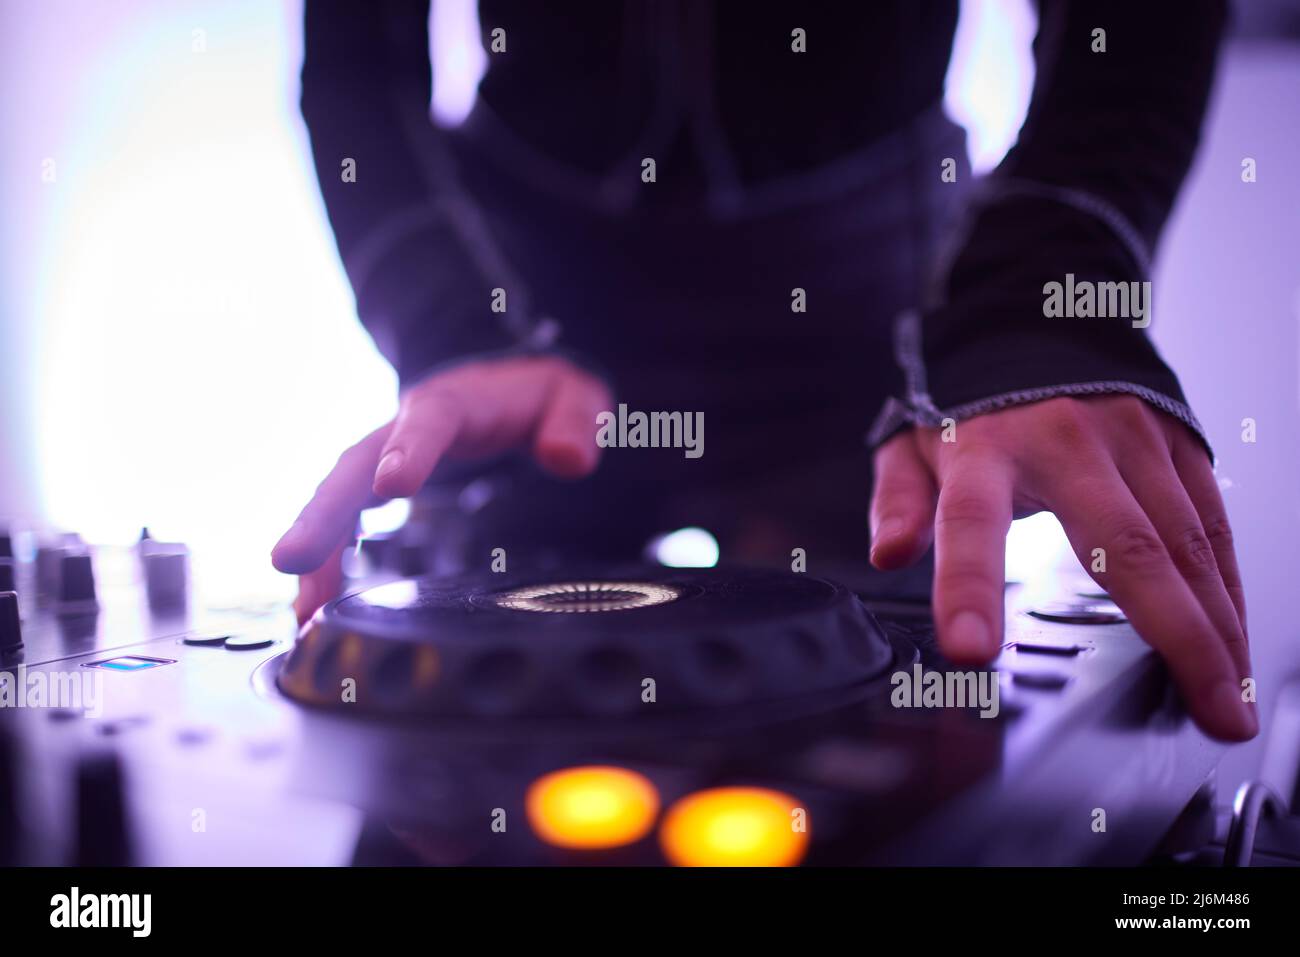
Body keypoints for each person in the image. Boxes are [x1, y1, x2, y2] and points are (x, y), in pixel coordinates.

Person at [272, 0, 1255, 741]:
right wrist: (455, 329)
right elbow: (359, 63)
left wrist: (1033, 301)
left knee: (885, 738)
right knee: (475, 748)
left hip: (865, 319)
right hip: (535, 325)